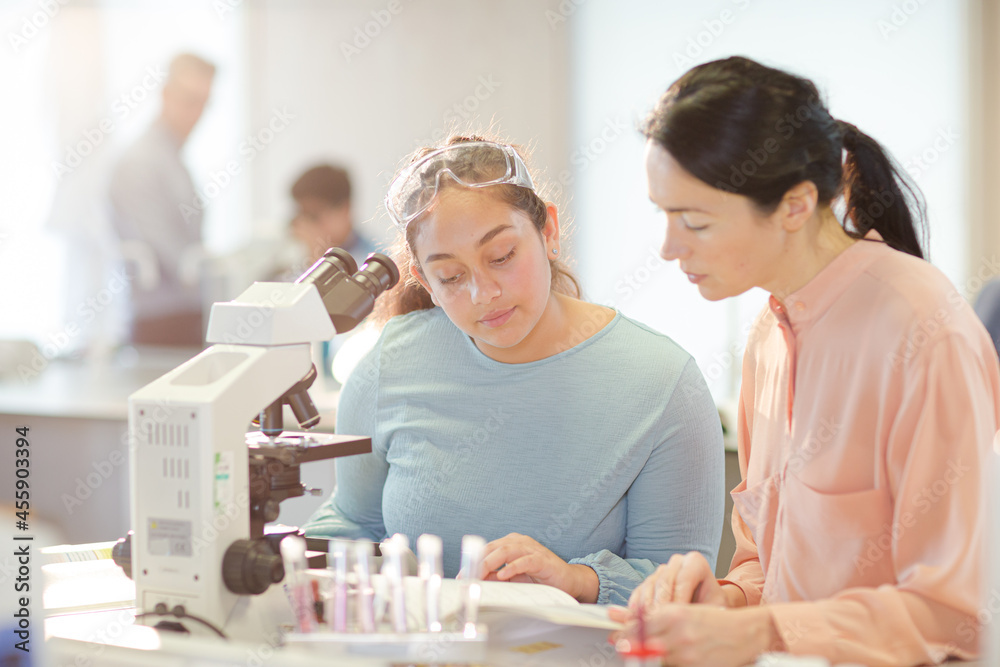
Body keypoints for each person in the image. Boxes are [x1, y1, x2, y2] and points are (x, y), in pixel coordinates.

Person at [609, 56, 1000, 666]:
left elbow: (955, 614)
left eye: (694, 220)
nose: (667, 247)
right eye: (663, 214)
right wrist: (727, 602)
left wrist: (760, 634)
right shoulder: (768, 336)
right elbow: (769, 565)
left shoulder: (926, 335)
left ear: (795, 205)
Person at [304, 136, 725, 605]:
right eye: (451, 277)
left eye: (502, 256)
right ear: (423, 279)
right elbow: (353, 523)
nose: (483, 293)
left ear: (549, 232)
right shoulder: (391, 363)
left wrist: (574, 581)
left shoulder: (661, 382)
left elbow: (685, 596)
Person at [108, 53, 215, 346]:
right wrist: (223, 275)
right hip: (162, 325)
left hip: (186, 316)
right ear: (166, 95)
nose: (197, 114)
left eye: (205, 103)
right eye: (190, 100)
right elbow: (172, 257)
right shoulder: (140, 162)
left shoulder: (172, 157)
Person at [289, 164, 376, 268]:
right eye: (301, 214)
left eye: (313, 216)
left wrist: (317, 259)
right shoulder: (291, 260)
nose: (306, 226)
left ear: (344, 209)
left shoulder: (375, 264)